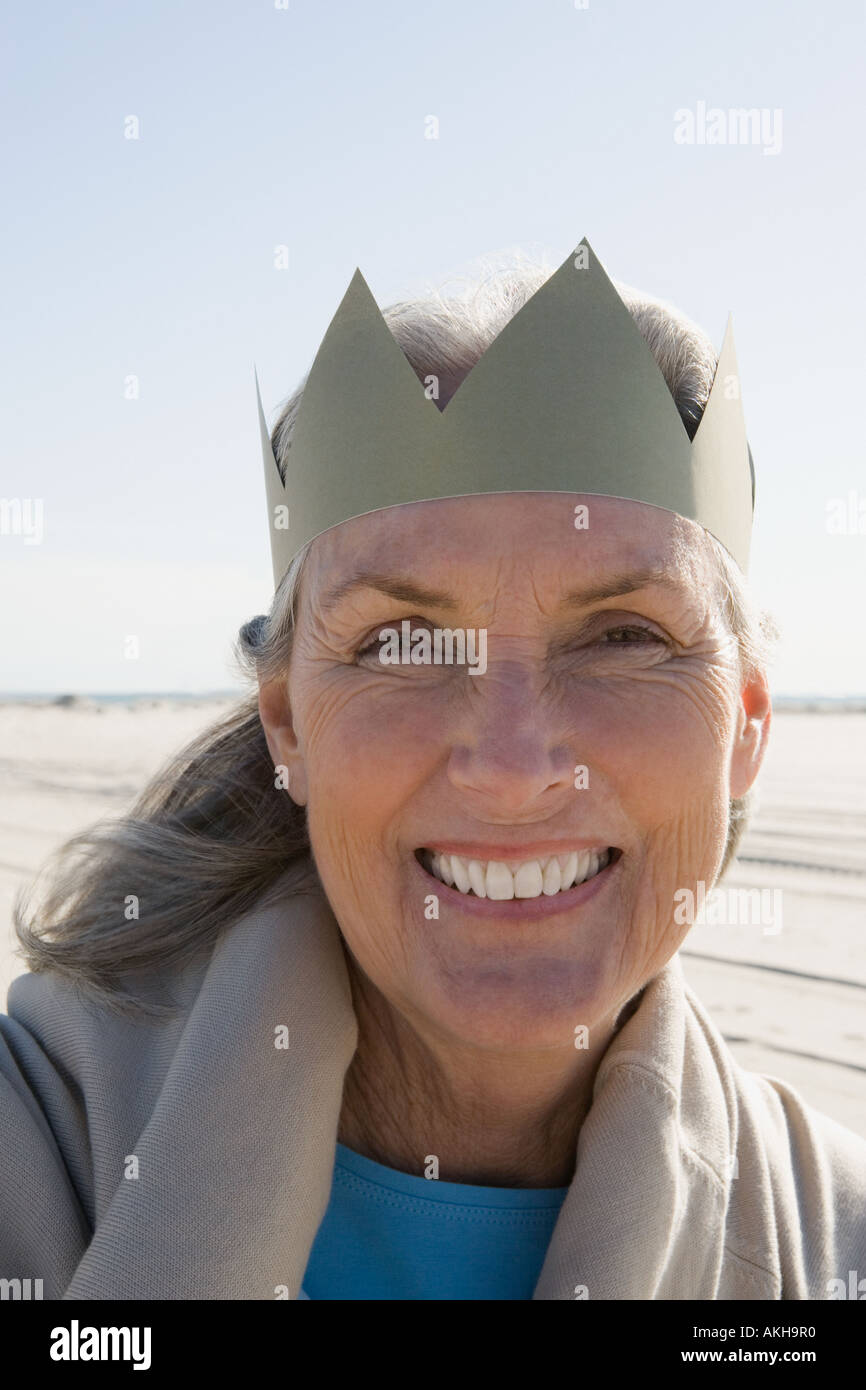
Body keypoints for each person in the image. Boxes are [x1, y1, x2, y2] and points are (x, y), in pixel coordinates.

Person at [2, 241, 864, 1300]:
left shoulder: (830, 1242)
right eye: (401, 641)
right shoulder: (38, 1147)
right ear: (289, 728)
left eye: (623, 637)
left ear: (743, 725)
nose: (511, 768)